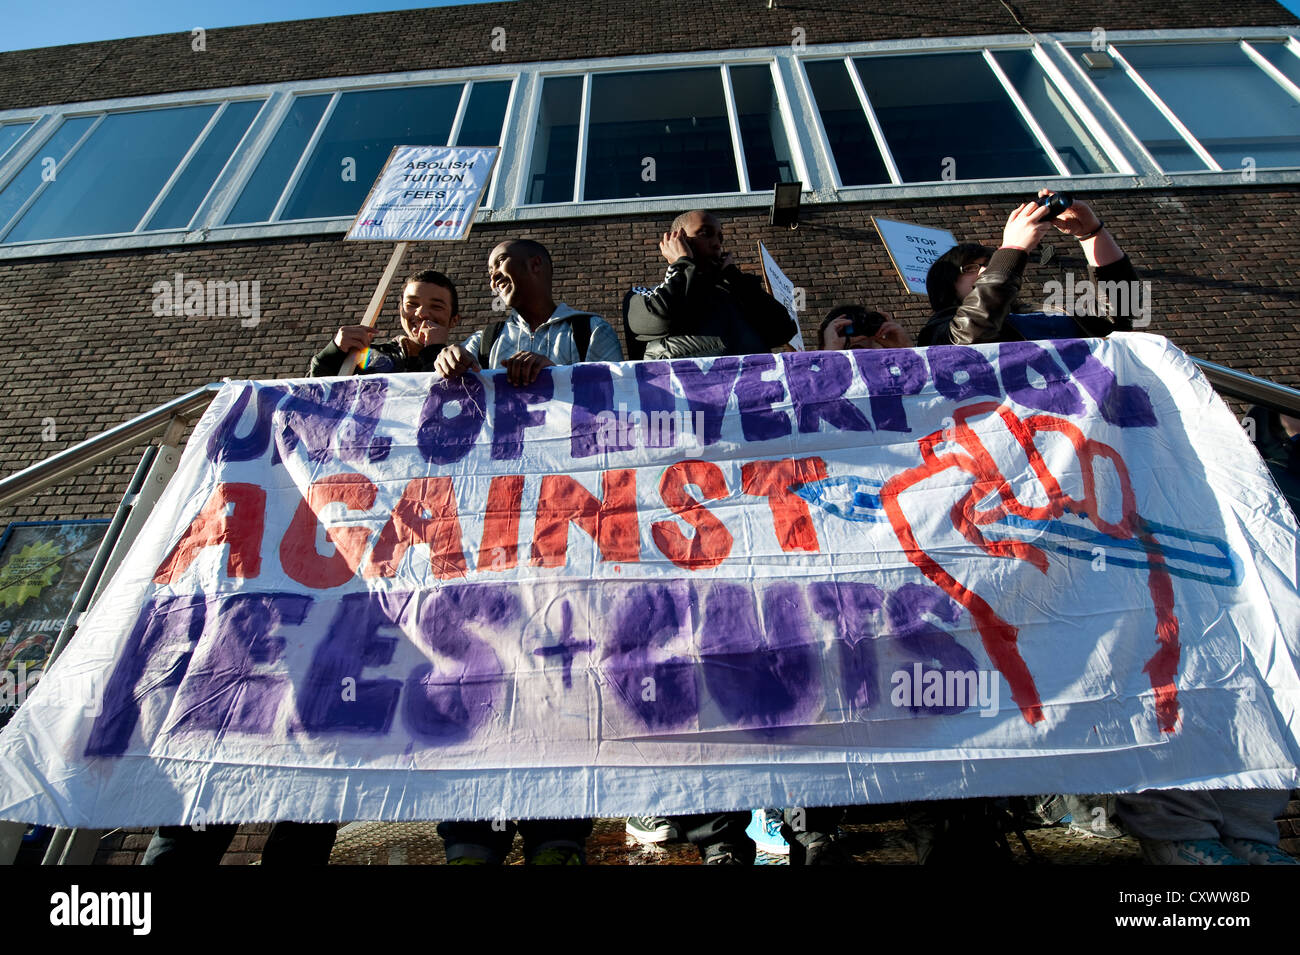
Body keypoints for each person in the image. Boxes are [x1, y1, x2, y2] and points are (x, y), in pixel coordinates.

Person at [433, 238, 620, 865]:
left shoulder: (592, 330)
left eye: (502, 265)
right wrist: (453, 364)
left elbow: (619, 402)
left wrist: (557, 377)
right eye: (488, 271)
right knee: (483, 664)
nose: (492, 277)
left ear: (538, 265)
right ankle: (471, 834)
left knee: (563, 667)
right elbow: (456, 417)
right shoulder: (485, 341)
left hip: (570, 533)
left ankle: (557, 831)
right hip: (498, 532)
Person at [918, 190, 1137, 347]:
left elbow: (1123, 313)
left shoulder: (1050, 314)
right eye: (971, 268)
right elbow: (969, 339)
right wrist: (1013, 248)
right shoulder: (938, 331)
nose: (986, 270)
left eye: (990, 263)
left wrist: (1091, 233)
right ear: (945, 285)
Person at [624, 210, 796, 360]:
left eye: (720, 238)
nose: (717, 244)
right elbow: (661, 318)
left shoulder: (738, 295)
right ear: (678, 239)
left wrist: (734, 277)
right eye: (705, 233)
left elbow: (783, 330)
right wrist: (681, 263)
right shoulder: (645, 294)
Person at [310, 268, 460, 376]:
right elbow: (312, 401)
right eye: (412, 304)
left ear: (454, 320)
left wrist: (435, 351)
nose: (421, 313)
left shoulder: (462, 362)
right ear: (400, 310)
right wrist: (333, 354)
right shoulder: (365, 356)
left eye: (436, 306)